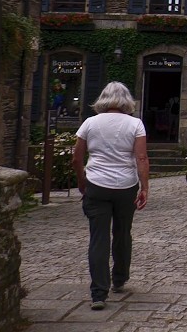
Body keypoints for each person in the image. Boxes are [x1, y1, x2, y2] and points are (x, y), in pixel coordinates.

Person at [72, 81, 149, 310]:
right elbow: (141, 158)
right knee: (123, 232)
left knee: (99, 237)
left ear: (103, 100)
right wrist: (144, 187)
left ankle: (98, 293)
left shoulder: (89, 123)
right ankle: (119, 278)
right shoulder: (135, 124)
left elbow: (76, 158)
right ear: (127, 101)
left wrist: (81, 180)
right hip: (126, 185)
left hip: (96, 183)